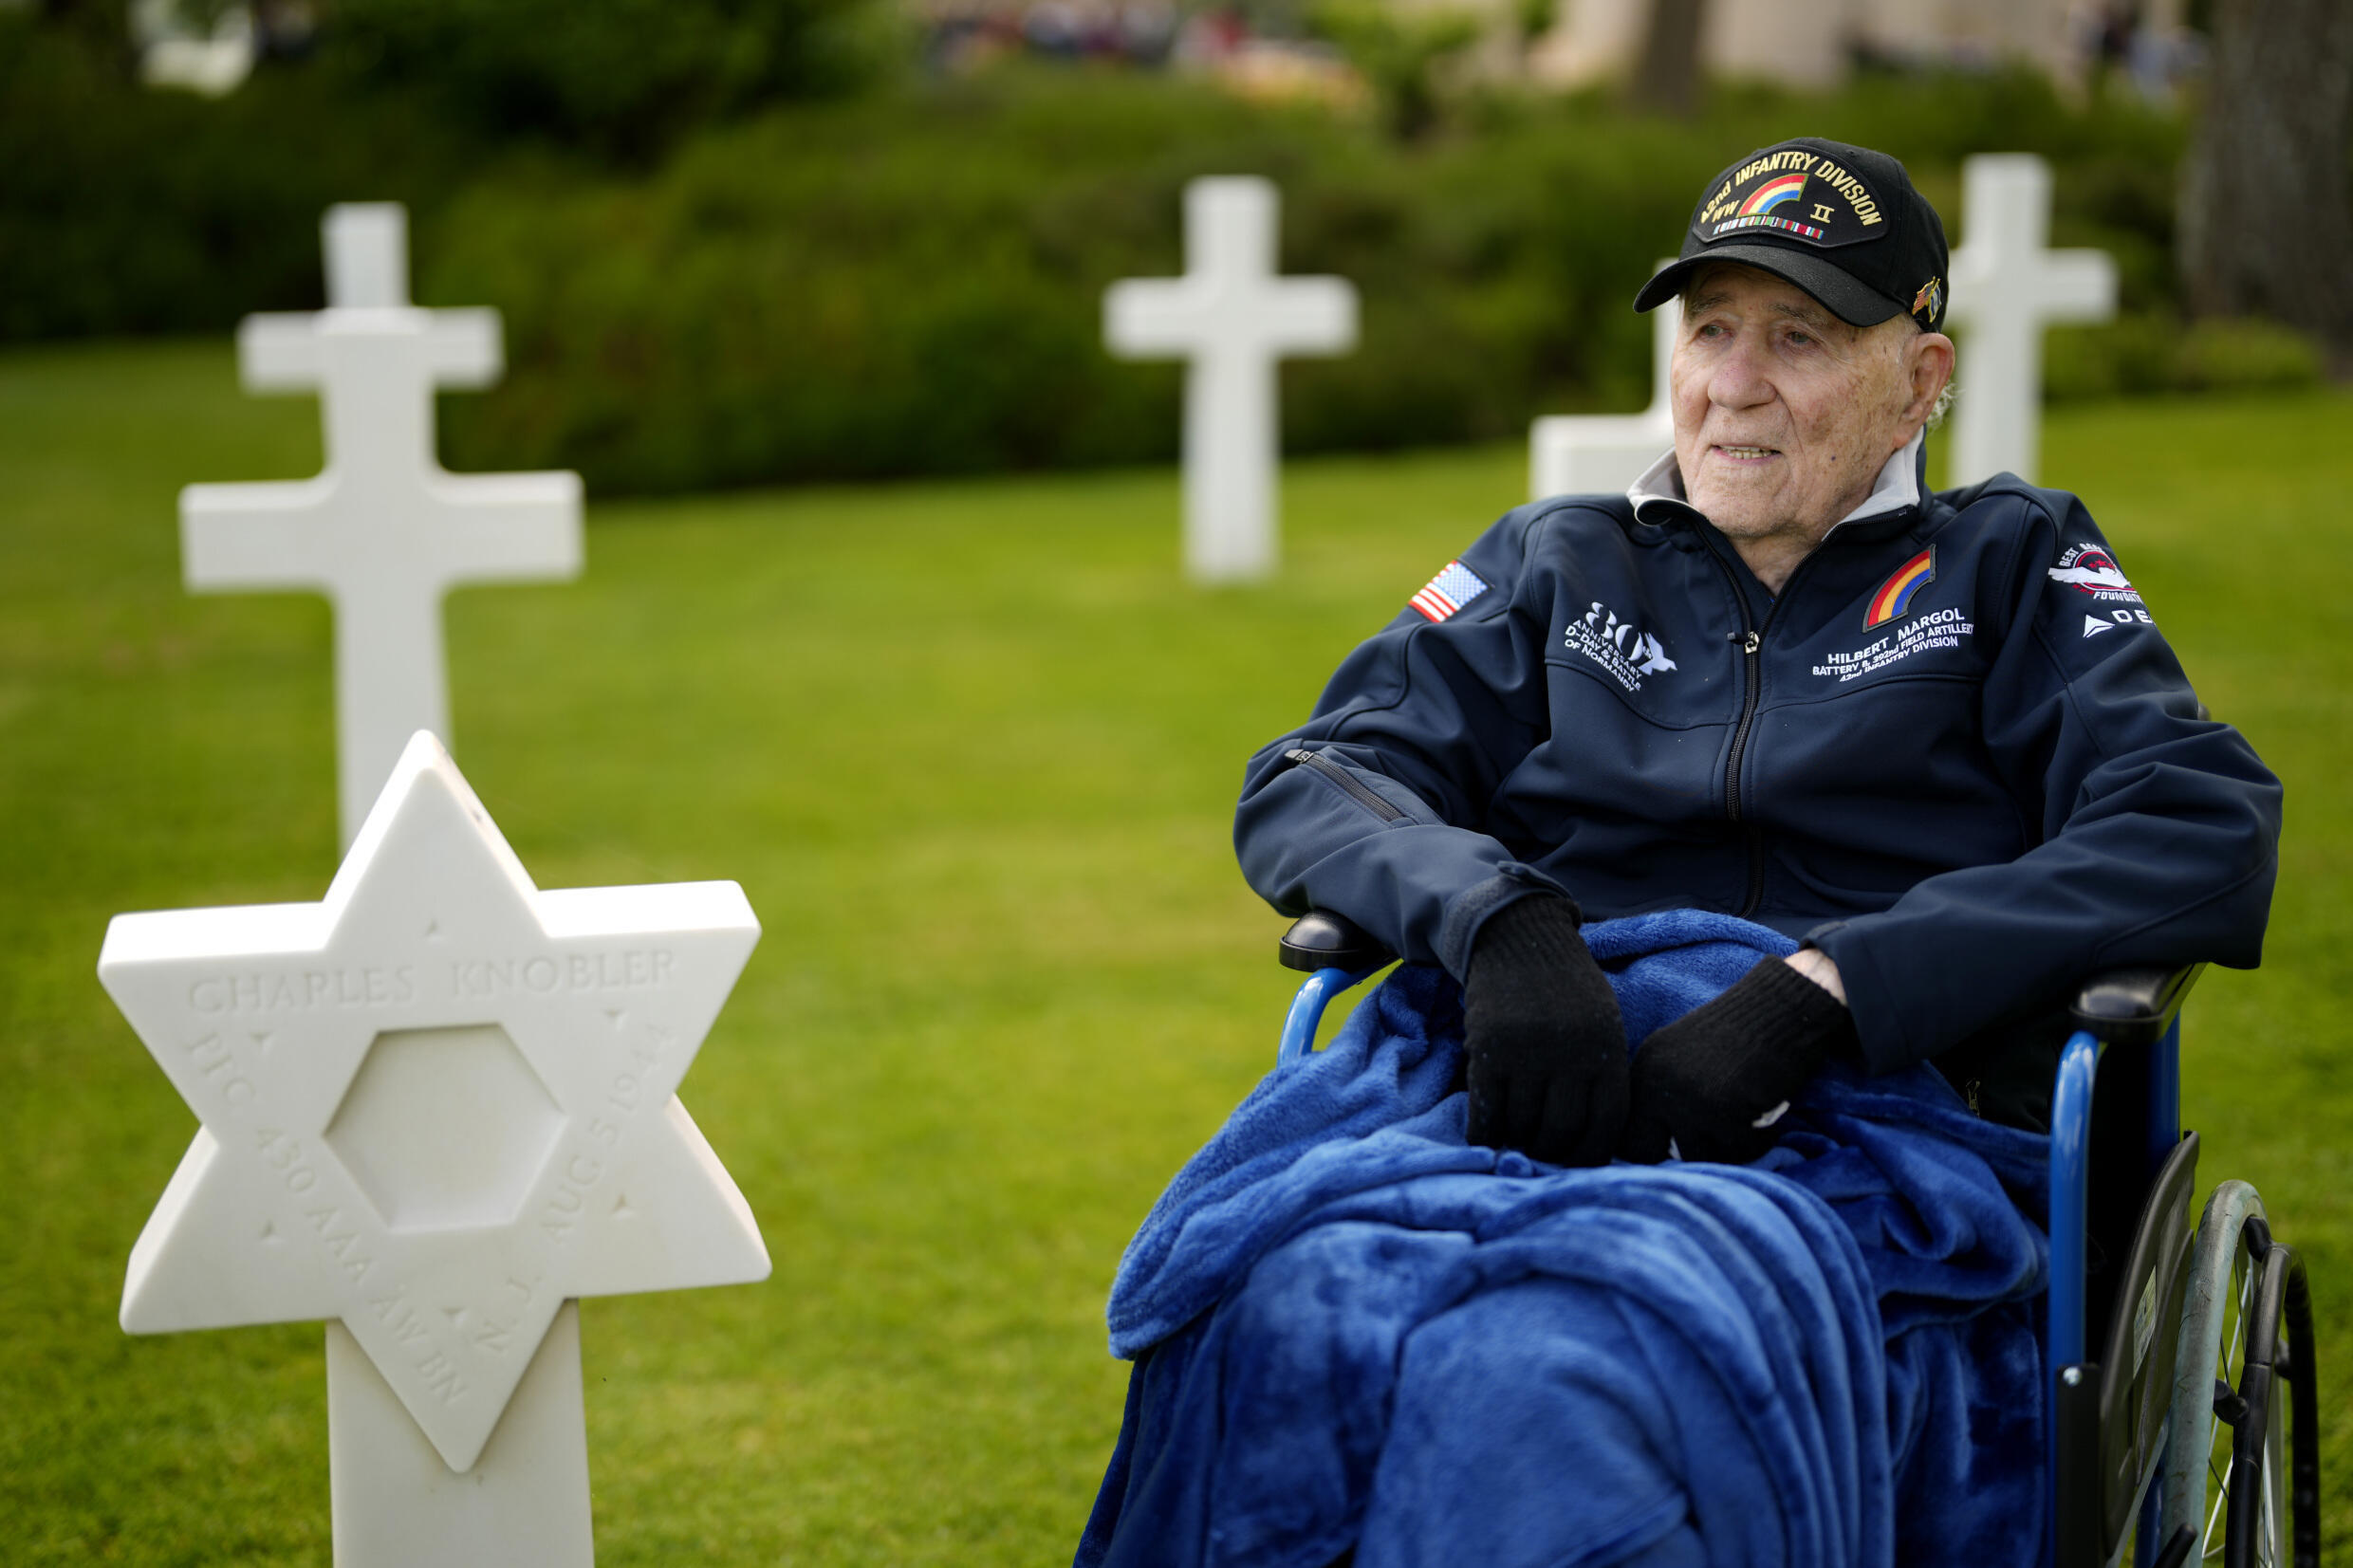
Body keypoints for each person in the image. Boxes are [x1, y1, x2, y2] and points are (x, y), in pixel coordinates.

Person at [1234, 136, 2281, 1170]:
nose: (1730, 386)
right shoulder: (1554, 560)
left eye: (1796, 338)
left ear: (1917, 382)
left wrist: (1833, 989)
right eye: (1708, 329)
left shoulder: (2008, 561)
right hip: (1543, 1085)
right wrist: (1498, 922)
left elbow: (2193, 816)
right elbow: (1317, 778)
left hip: (1875, 1106)